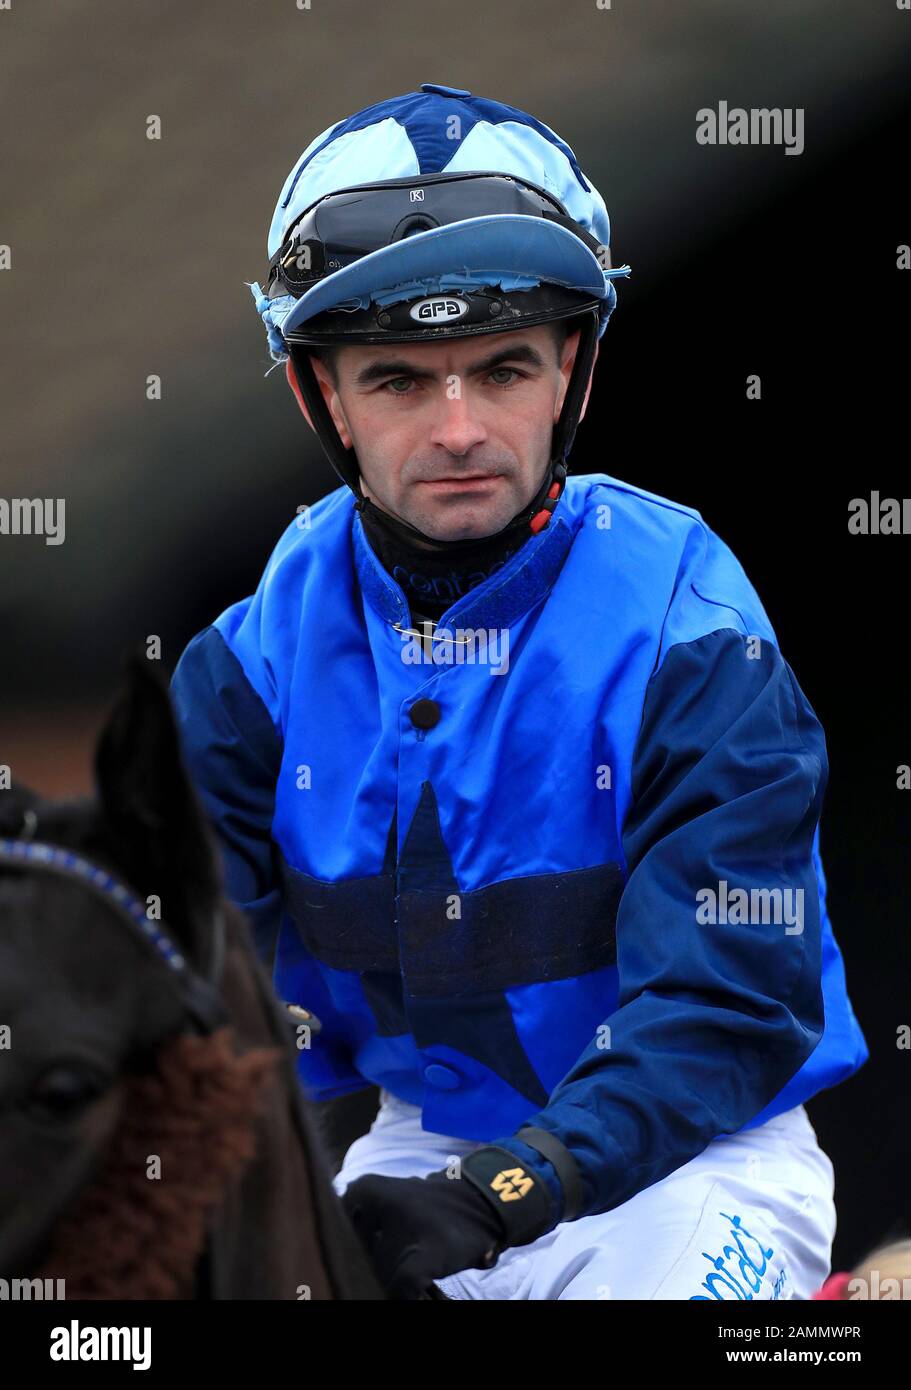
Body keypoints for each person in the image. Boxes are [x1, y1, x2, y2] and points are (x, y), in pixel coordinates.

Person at [169, 83, 869, 1300]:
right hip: (416, 1155)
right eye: (396, 380)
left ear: (572, 375)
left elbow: (720, 1004)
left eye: (500, 369)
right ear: (318, 395)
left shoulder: (691, 629)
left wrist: (508, 1191)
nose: (457, 429)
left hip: (691, 1167)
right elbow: (163, 988)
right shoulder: (244, 669)